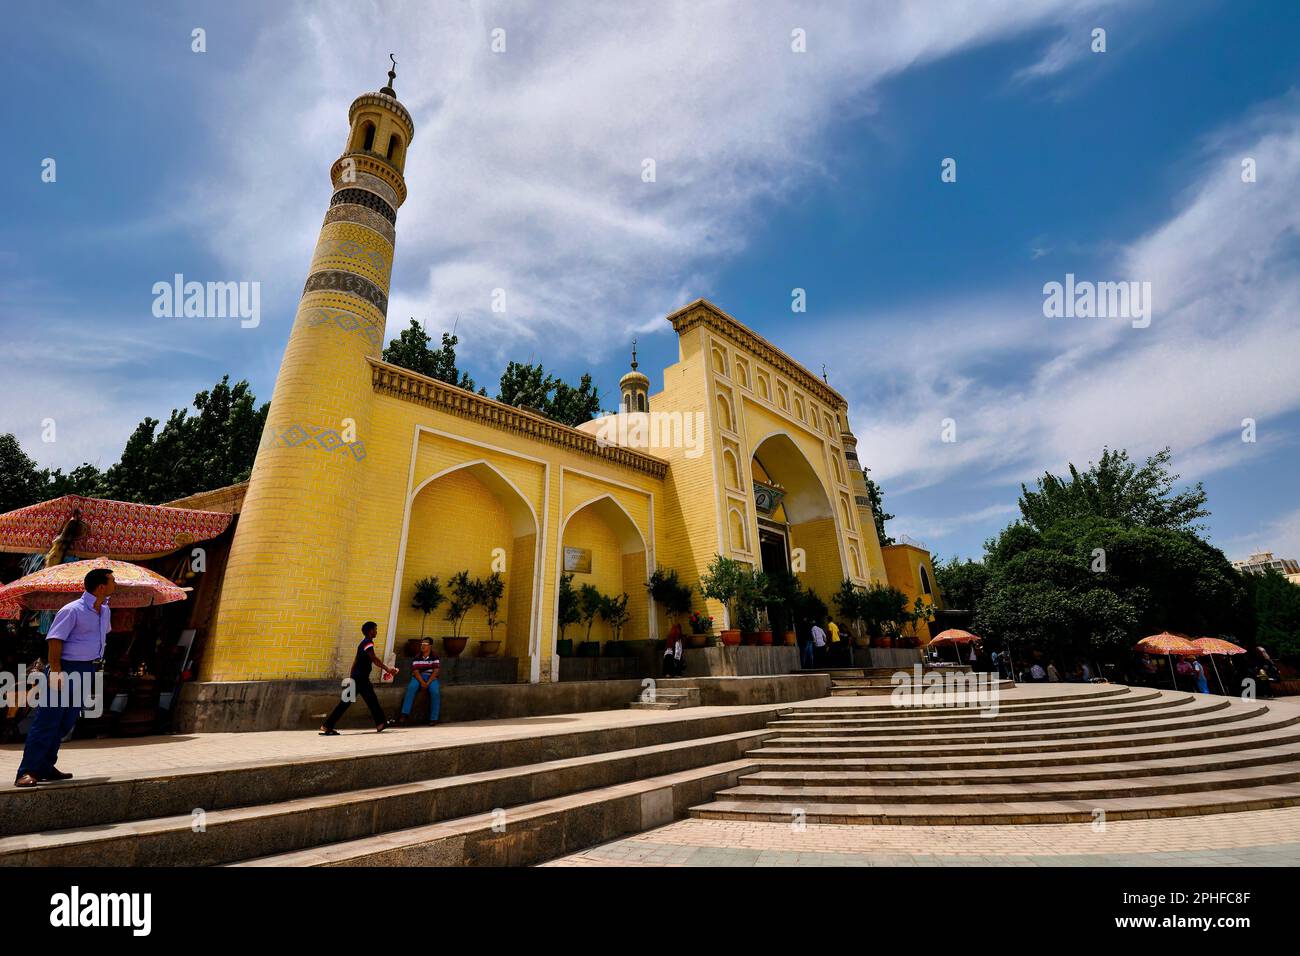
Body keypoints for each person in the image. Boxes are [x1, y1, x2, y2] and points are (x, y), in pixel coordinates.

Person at [14, 569, 114, 788]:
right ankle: (27, 771)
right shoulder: (72, 610)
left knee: (66, 721)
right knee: (47, 720)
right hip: (65, 669)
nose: (115, 584)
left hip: (87, 669)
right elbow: (55, 640)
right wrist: (57, 670)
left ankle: (46, 766)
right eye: (112, 581)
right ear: (101, 587)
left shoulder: (104, 611)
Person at [320, 622, 397, 735]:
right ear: (370, 630)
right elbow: (374, 659)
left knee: (349, 702)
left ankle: (327, 726)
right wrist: (387, 669)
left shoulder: (362, 643)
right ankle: (381, 723)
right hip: (361, 679)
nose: (376, 631)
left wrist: (351, 677)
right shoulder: (368, 643)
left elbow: (355, 662)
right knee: (371, 701)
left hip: (357, 678)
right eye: (375, 629)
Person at [398, 638, 441, 725]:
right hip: (418, 677)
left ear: (430, 646)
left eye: (425, 644)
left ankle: (434, 718)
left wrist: (428, 683)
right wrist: (422, 682)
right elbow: (415, 671)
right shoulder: (417, 657)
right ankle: (404, 714)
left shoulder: (435, 656)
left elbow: (436, 671)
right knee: (411, 688)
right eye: (422, 644)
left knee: (435, 692)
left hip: (431, 677)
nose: (423, 646)